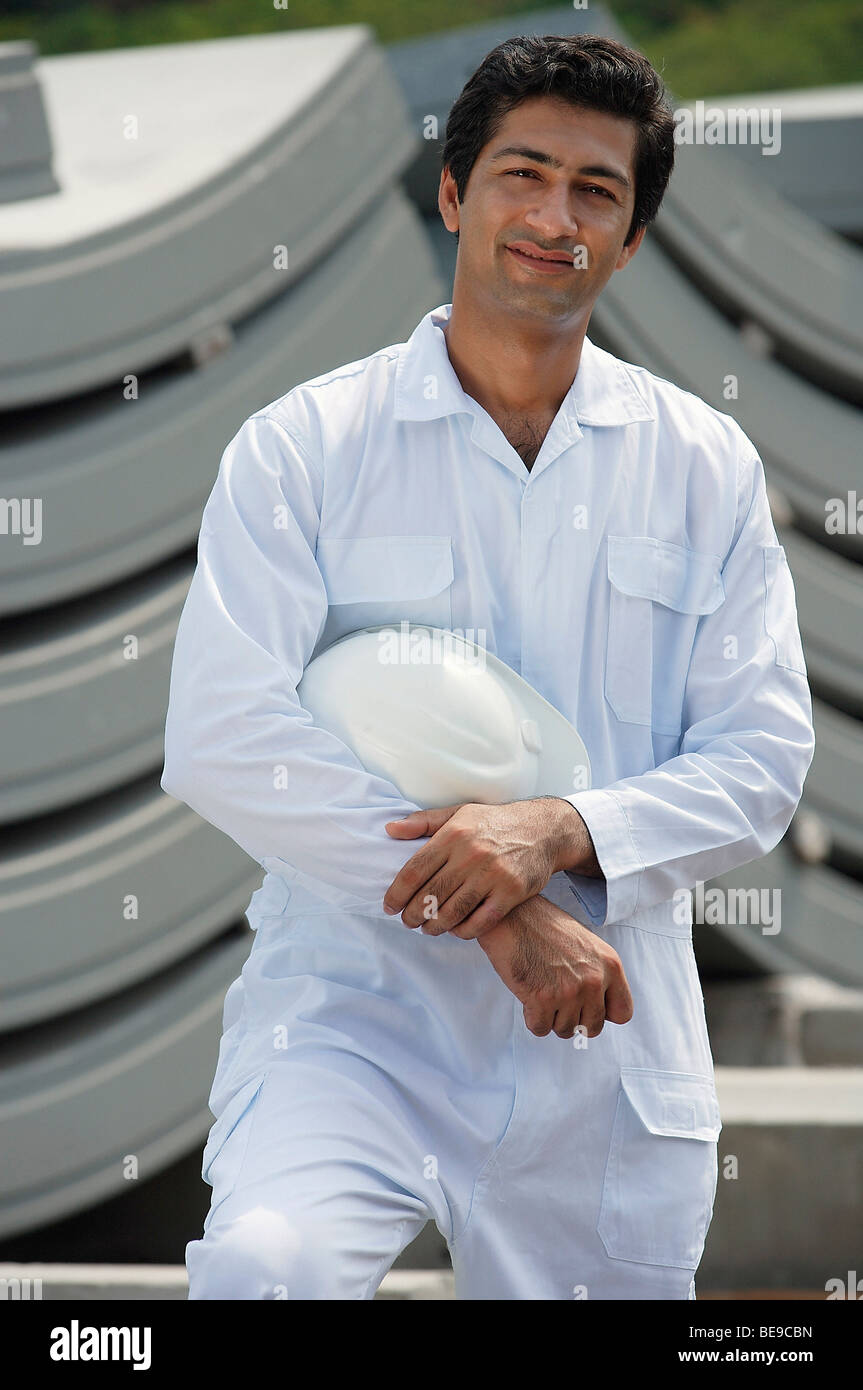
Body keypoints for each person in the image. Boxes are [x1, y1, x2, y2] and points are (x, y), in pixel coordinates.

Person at [161, 33, 815, 1300]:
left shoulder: (702, 466)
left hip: (602, 1038)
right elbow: (226, 739)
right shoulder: (303, 449)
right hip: (351, 1017)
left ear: (629, 240)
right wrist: (502, 908)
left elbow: (759, 761)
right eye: (522, 173)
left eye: (596, 191)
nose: (553, 216)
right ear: (453, 194)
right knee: (260, 1271)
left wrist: (562, 827)